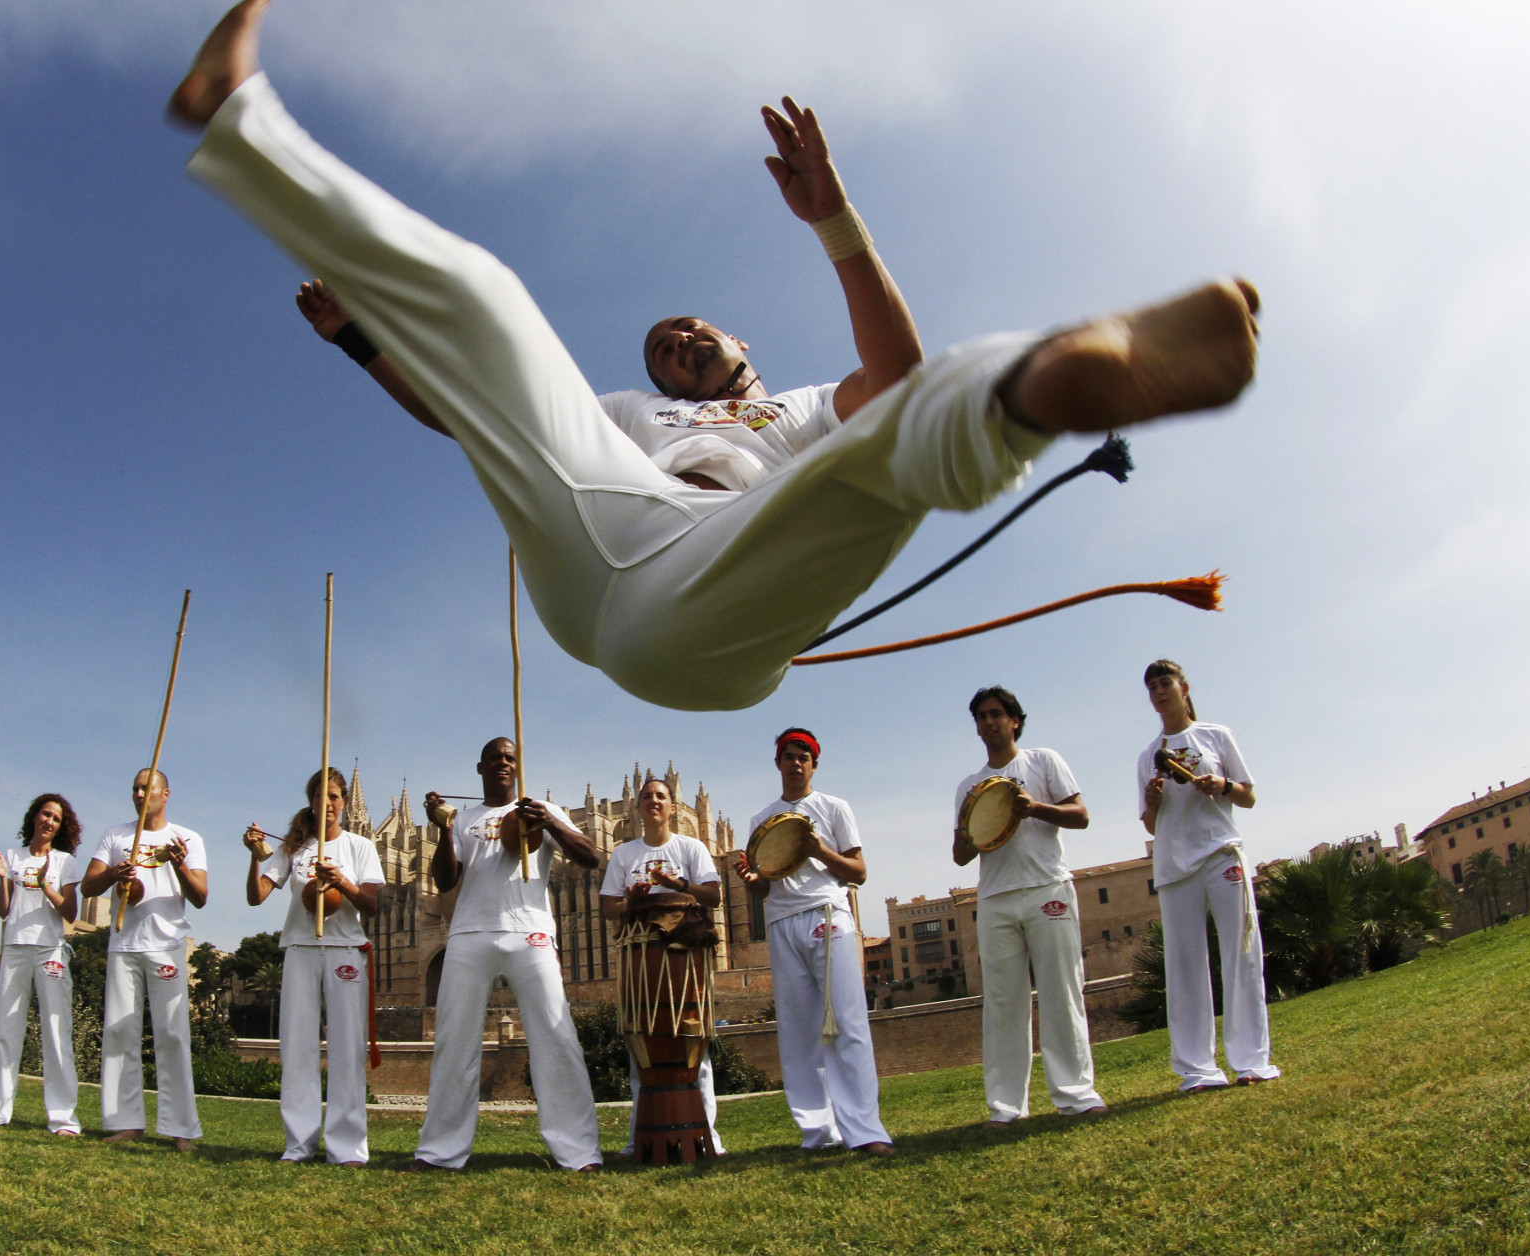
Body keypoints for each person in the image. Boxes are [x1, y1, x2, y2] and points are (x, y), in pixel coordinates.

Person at [168, 0, 1261, 712]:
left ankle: (1033, 390)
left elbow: (892, 373)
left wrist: (838, 226)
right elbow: (465, 412)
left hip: (713, 604)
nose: (675, 344)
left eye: (693, 333)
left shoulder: (794, 409)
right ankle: (237, 117)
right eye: (661, 347)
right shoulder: (626, 413)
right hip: (605, 526)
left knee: (890, 440)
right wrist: (360, 340)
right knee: (492, 302)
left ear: (741, 343)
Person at [411, 738, 603, 1171]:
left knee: (557, 1037)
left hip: (530, 933)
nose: (503, 762)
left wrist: (549, 823)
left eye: (510, 758)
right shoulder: (464, 819)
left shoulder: (540, 811)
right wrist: (442, 828)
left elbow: (591, 858)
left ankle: (578, 1152)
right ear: (480, 768)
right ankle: (440, 1152)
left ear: (518, 768)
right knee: (454, 1045)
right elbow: (443, 881)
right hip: (467, 934)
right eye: (495, 757)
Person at [950, 687, 1105, 1128]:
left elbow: (1081, 815)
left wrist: (1033, 807)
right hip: (995, 898)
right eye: (981, 717)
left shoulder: (1043, 761)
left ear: (1016, 720)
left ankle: (1076, 1094)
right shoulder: (969, 786)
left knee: (1061, 991)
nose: (988, 723)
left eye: (997, 714)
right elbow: (961, 855)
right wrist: (965, 830)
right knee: (1002, 1002)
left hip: (1047, 887)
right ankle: (1006, 1106)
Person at [734, 731, 891, 1153]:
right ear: (778, 763)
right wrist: (753, 882)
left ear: (814, 765)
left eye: (803, 757)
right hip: (782, 922)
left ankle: (866, 1130)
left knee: (847, 1022)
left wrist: (820, 850)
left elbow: (857, 872)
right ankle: (817, 1132)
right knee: (798, 1031)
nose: (795, 763)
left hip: (828, 915)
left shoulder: (835, 808)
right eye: (788, 756)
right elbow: (766, 887)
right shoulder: (760, 820)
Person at [1138, 659, 1279, 1091]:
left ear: (1183, 687)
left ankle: (1251, 1061)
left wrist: (1220, 785)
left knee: (1241, 954)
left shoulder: (1216, 736)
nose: (1160, 692)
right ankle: (1197, 1070)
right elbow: (1149, 824)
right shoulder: (1148, 755)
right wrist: (1153, 798)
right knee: (1184, 966)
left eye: (1166, 683)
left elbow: (1249, 796)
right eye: (1153, 687)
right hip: (1175, 867)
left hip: (1221, 853)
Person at [245, 769, 385, 1166]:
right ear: (311, 801)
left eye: (335, 797)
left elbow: (372, 906)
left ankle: (347, 1147)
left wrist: (342, 881)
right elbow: (257, 896)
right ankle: (298, 1144)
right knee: (297, 1047)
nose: (327, 803)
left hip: (345, 950)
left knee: (347, 1048)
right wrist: (253, 857)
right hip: (300, 949)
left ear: (344, 803)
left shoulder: (360, 846)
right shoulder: (293, 848)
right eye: (320, 796)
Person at [80, 769, 210, 1150]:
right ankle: (127, 1122)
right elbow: (88, 885)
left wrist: (177, 864)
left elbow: (201, 896)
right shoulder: (115, 835)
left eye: (146, 788)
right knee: (120, 1032)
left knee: (172, 1034)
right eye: (135, 788)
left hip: (166, 942)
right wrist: (112, 876)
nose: (139, 794)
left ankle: (181, 1127)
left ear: (165, 793)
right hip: (123, 943)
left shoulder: (188, 838)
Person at [599, 775, 725, 1155]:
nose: (654, 802)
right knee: (642, 1053)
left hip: (684, 952)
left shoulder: (692, 847)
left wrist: (679, 885)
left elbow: (714, 896)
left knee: (694, 1050)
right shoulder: (623, 854)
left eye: (661, 796)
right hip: (641, 956)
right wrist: (632, 901)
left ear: (674, 806)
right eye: (647, 797)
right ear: (636, 808)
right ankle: (640, 1135)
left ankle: (708, 1135)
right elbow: (609, 908)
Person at [0, 793, 85, 1135]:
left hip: (50, 950)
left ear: (61, 827)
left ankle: (64, 1119)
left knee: (56, 1033)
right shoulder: (13, 857)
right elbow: (4, 910)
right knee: (5, 1031)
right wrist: (4, 878)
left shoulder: (65, 862)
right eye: (45, 814)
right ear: (34, 817)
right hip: (16, 948)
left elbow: (71, 914)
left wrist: (46, 885)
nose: (49, 822)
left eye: (56, 819)